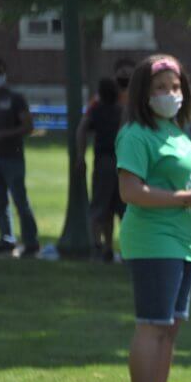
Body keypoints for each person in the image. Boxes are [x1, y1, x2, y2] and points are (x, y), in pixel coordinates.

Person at [116, 54, 191, 382]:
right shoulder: (136, 134)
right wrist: (185, 197)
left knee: (170, 328)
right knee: (153, 325)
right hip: (154, 241)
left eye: (175, 87)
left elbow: (181, 180)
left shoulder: (175, 131)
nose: (169, 94)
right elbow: (131, 191)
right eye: (160, 88)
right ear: (143, 93)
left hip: (184, 240)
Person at [78, 59, 135, 261]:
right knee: (119, 208)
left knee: (103, 207)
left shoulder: (99, 107)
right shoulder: (120, 109)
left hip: (105, 161)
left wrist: (80, 157)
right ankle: (119, 248)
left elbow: (82, 128)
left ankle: (101, 246)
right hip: (121, 161)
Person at [0, 57, 38, 257]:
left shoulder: (15, 98)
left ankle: (31, 241)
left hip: (12, 157)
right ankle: (7, 239)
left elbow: (28, 126)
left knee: (20, 201)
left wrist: (4, 134)